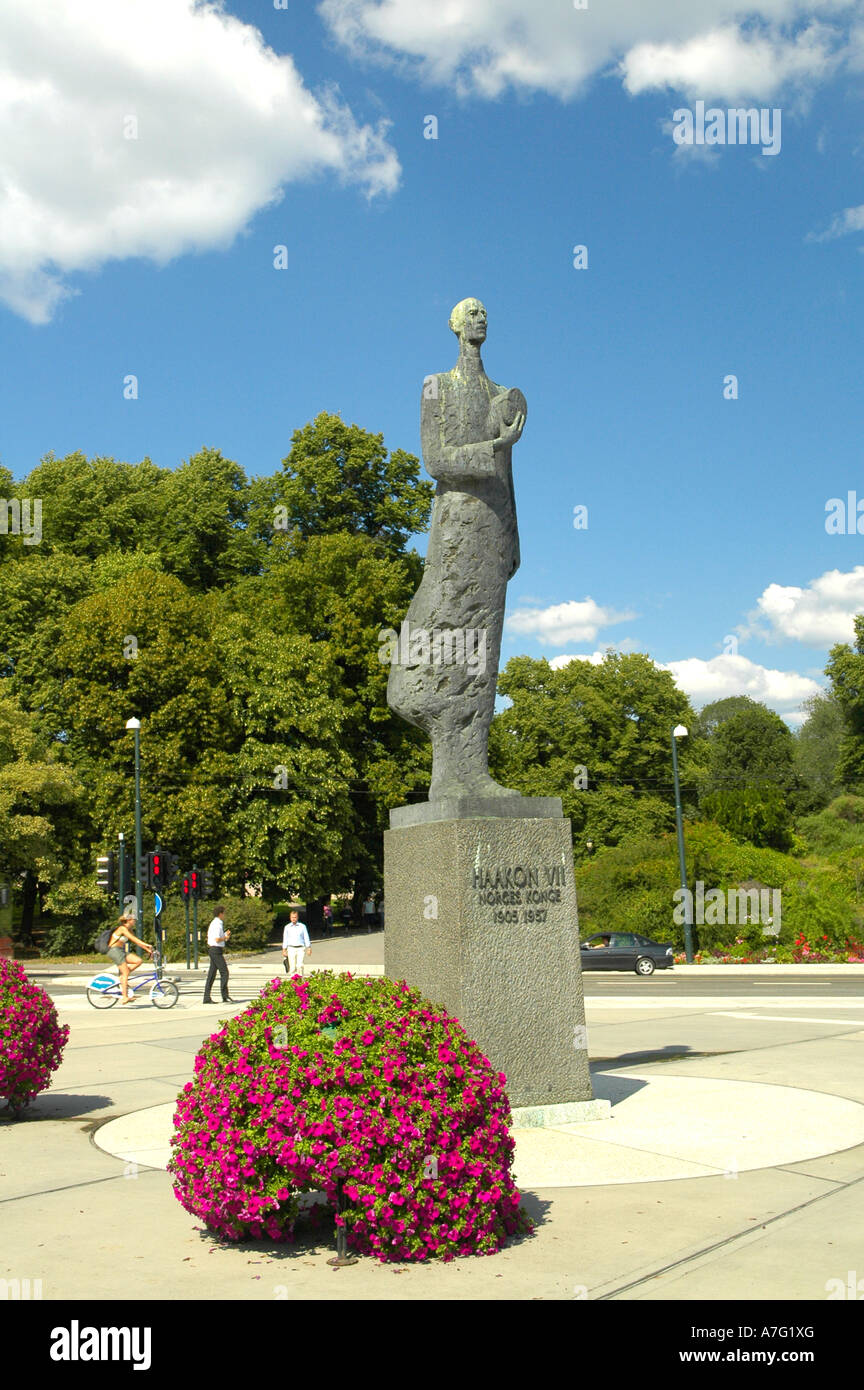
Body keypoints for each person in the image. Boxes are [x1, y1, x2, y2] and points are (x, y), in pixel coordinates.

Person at [105, 914, 154, 1005]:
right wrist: (147, 944)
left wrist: (148, 950)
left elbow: (136, 941)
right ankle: (124, 997)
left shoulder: (130, 929)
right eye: (133, 920)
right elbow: (134, 939)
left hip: (120, 951)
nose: (135, 921)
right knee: (126, 973)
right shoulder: (122, 928)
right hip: (114, 950)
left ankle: (123, 977)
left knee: (138, 961)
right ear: (128, 920)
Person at [203, 906, 234, 1004]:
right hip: (216, 950)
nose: (225, 915)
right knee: (224, 972)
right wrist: (225, 937)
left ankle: (206, 997)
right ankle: (224, 996)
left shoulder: (215, 923)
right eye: (224, 913)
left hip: (214, 949)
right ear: (220, 914)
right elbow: (217, 939)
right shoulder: (217, 924)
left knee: (211, 974)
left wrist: (225, 936)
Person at [282, 909, 311, 978]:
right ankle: (293, 981)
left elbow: (306, 937)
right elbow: (285, 939)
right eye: (292, 917)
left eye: (295, 917)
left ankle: (300, 980)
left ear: (297, 918)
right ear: (290, 918)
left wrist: (309, 948)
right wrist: (284, 949)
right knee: (292, 966)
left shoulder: (302, 926)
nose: (293, 919)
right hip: (291, 948)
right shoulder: (287, 927)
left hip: (300, 948)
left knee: (300, 965)